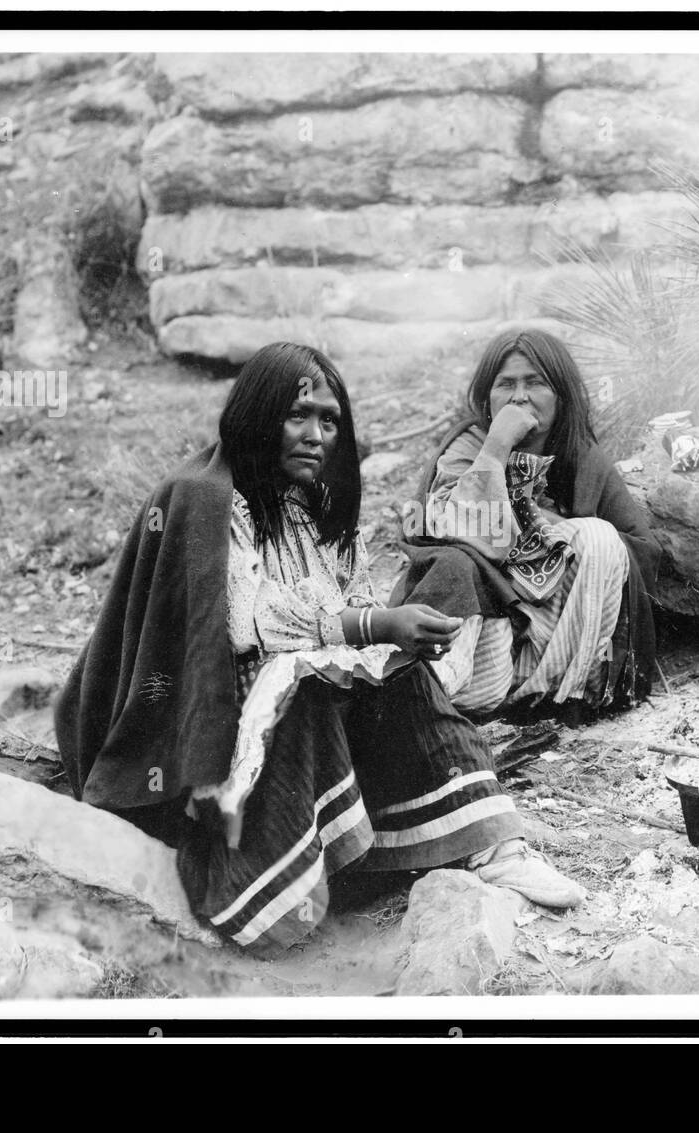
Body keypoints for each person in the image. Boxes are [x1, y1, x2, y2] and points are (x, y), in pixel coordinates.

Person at [55, 342, 585, 954]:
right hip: (192, 732)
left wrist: (388, 640)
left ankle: (492, 845)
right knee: (300, 687)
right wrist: (373, 626)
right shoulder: (202, 497)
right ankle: (285, 868)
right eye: (297, 415)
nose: (315, 435)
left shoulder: (310, 506)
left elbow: (347, 601)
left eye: (329, 421)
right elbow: (246, 624)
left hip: (280, 698)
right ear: (257, 415)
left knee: (400, 676)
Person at [392, 328, 660, 722]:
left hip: (552, 639)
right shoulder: (467, 448)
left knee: (600, 538)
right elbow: (452, 532)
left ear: (560, 396)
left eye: (534, 383)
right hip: (487, 624)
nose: (519, 396)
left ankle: (559, 696)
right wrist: (497, 447)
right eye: (506, 385)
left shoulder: (581, 458)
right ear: (487, 397)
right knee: (462, 560)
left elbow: (642, 550)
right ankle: (432, 701)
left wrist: (555, 531)